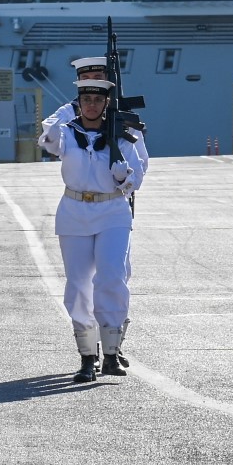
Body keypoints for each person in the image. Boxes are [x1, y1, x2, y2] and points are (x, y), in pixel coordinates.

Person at [39, 79, 145, 382]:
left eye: (97, 100)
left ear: (106, 104)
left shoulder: (122, 136)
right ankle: (87, 356)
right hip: (74, 211)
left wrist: (124, 177)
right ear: (79, 102)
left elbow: (136, 177)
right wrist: (59, 118)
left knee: (111, 276)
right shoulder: (68, 134)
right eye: (85, 99)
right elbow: (48, 140)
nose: (91, 105)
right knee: (78, 284)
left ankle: (111, 354)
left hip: (112, 210)